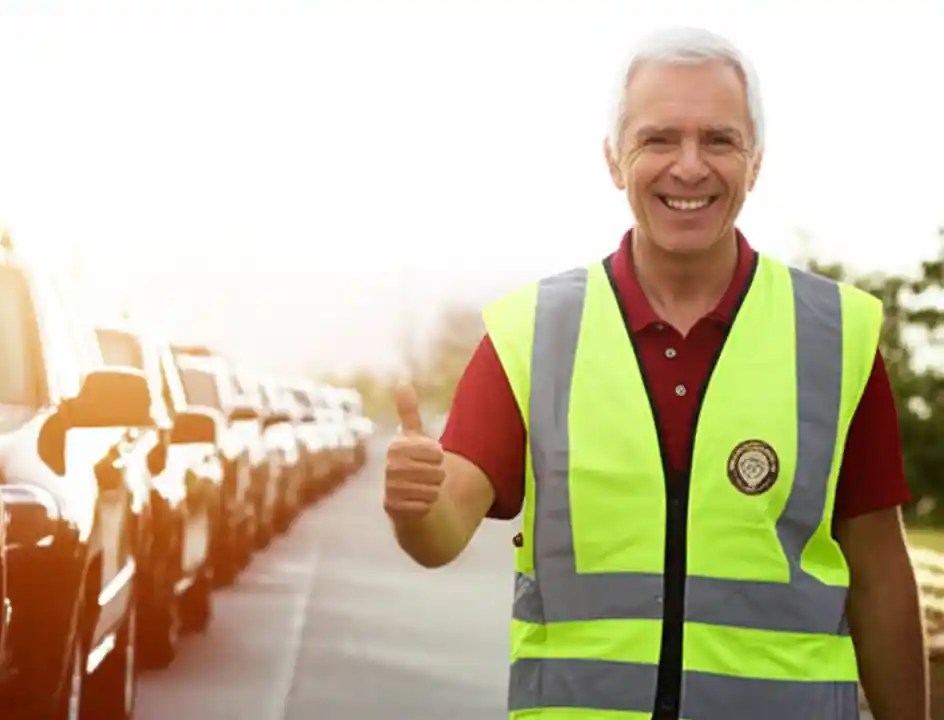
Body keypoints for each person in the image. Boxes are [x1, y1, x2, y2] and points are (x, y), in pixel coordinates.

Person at [383, 25, 928, 720]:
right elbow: (444, 528)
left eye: (719, 141)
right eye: (660, 139)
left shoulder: (836, 336)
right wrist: (415, 507)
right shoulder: (534, 333)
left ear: (755, 162)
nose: (690, 167)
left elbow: (880, 571)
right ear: (615, 160)